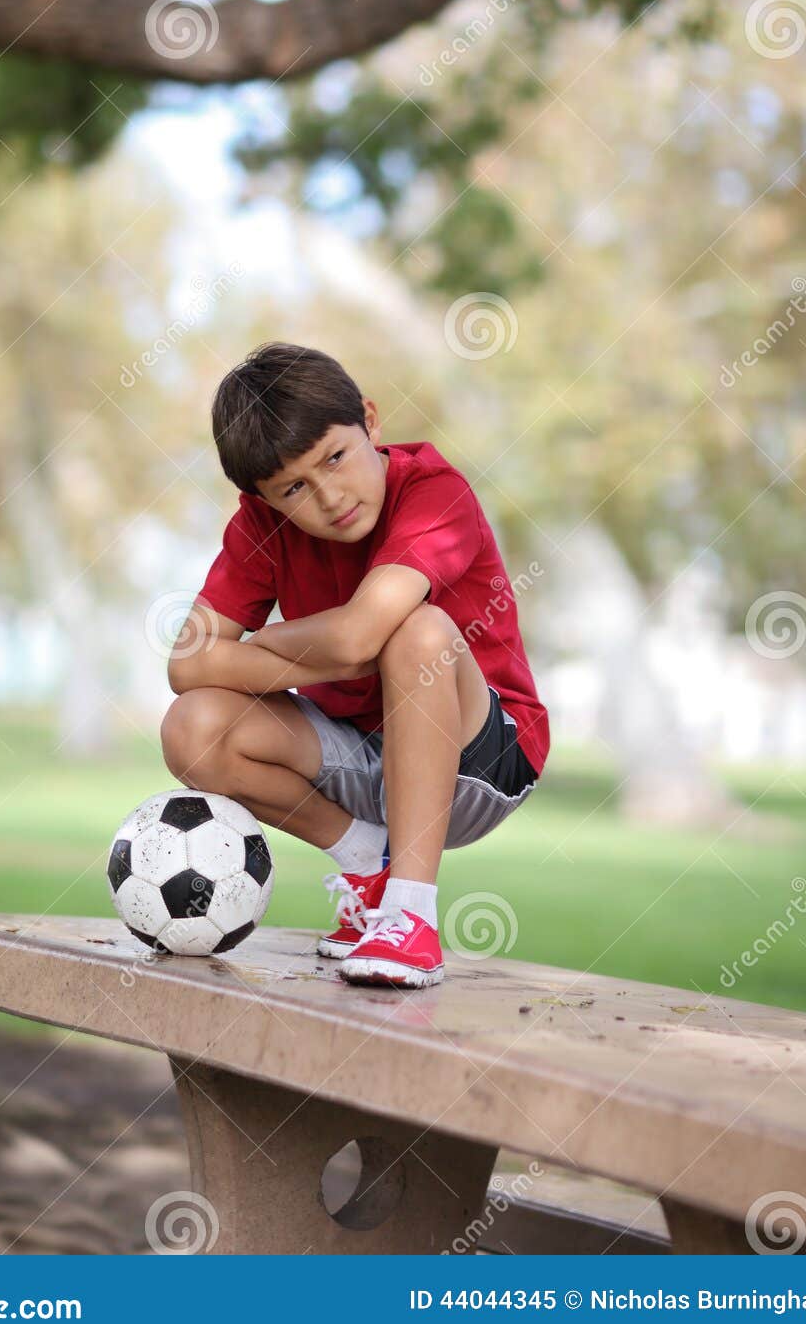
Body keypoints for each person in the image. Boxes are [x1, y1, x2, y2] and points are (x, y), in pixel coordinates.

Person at [160, 342, 548, 989]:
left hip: (478, 762)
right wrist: (332, 651)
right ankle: (366, 861)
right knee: (191, 726)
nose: (330, 496)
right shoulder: (259, 528)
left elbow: (361, 636)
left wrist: (265, 645)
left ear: (369, 420)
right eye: (294, 489)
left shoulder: (433, 493)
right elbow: (186, 665)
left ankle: (410, 915)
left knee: (416, 632)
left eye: (335, 458)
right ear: (262, 498)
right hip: (362, 756)